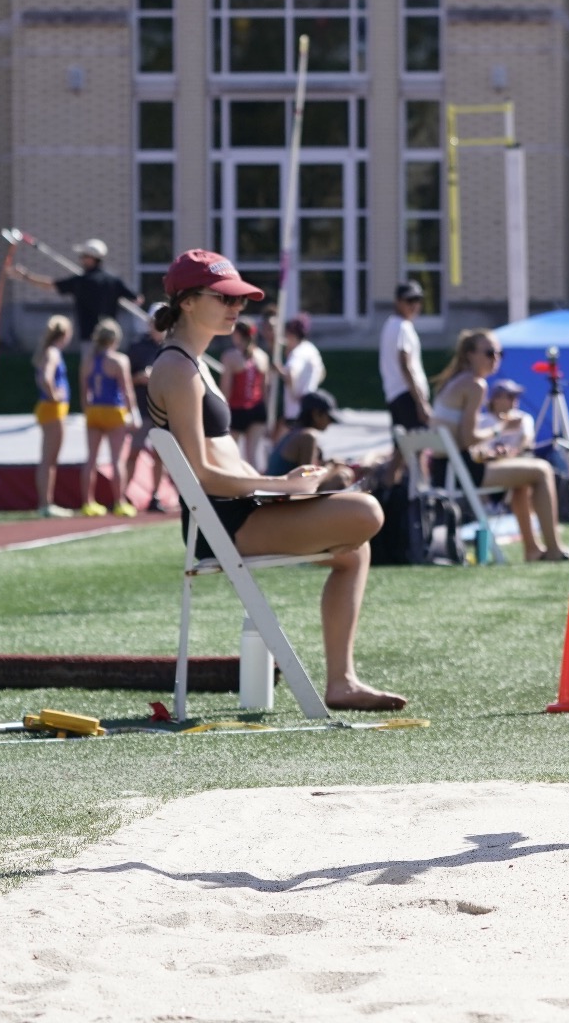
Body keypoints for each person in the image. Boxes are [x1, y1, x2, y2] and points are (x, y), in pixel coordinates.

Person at [145, 249, 403, 711]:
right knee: (367, 511)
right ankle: (340, 682)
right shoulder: (178, 368)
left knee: (355, 552)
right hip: (221, 524)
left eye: (239, 299)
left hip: (235, 511)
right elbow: (202, 474)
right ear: (187, 301)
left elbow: (222, 462)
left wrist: (282, 482)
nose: (237, 308)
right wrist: (283, 488)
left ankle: (342, 682)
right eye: (225, 298)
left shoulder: (194, 362)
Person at [427, 330, 569, 562]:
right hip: (459, 471)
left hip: (446, 468)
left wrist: (487, 452)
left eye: (500, 353)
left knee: (524, 478)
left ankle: (533, 549)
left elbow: (460, 439)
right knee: (542, 470)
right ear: (470, 355)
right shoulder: (475, 384)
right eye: (489, 353)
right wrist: (502, 428)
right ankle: (554, 550)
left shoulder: (455, 382)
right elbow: (468, 438)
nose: (496, 358)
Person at [9, 238, 141, 379]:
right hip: (110, 338)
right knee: (110, 375)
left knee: (89, 376)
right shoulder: (114, 280)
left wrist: (26, 277)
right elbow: (137, 299)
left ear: (92, 258)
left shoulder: (81, 281)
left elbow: (51, 285)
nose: (81, 260)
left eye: (83, 256)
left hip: (89, 338)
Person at [78, 319, 137, 517]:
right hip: (113, 411)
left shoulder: (88, 360)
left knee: (91, 460)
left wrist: (88, 411)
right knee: (116, 459)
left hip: (94, 410)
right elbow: (127, 390)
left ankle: (87, 503)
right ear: (115, 339)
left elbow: (84, 392)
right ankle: (120, 502)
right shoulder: (119, 360)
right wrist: (132, 413)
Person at [123, 314, 172, 513]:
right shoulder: (137, 348)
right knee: (134, 451)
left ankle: (156, 496)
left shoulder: (172, 348)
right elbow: (124, 379)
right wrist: (139, 378)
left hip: (163, 411)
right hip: (143, 408)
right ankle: (122, 495)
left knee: (160, 455)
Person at [266, 390, 358, 488]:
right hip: (282, 493)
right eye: (329, 418)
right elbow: (308, 479)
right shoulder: (308, 436)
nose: (330, 422)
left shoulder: (295, 432)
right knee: (343, 475)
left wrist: (328, 463)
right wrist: (331, 467)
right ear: (316, 414)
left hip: (277, 489)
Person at [32, 315, 74, 518]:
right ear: (65, 334)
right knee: (49, 459)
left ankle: (46, 503)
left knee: (49, 459)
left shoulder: (49, 351)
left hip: (51, 408)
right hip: (52, 409)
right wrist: (54, 395)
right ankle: (46, 503)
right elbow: (45, 377)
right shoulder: (53, 352)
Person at [220, 318, 271, 471]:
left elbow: (226, 388)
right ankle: (256, 484)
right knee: (253, 455)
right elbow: (265, 390)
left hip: (237, 410)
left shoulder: (230, 356)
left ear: (237, 334)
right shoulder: (262, 356)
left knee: (231, 454)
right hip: (258, 410)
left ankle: (234, 483)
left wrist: (221, 412)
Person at [380, 282, 431, 431]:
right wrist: (420, 402)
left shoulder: (390, 324)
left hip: (394, 394)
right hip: (408, 395)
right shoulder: (403, 327)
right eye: (409, 300)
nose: (414, 305)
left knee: (402, 443)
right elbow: (405, 365)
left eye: (417, 300)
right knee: (420, 441)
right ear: (398, 301)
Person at [276, 313, 326, 437]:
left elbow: (291, 373)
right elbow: (322, 372)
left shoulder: (297, 353)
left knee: (290, 442)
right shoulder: (311, 349)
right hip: (309, 406)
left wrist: (294, 394)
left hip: (296, 411)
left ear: (292, 335)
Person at [484, 377, 536, 459]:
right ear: (496, 399)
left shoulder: (524, 418)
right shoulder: (481, 421)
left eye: (516, 396)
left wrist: (513, 453)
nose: (515, 399)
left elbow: (527, 440)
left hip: (516, 462)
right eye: (510, 396)